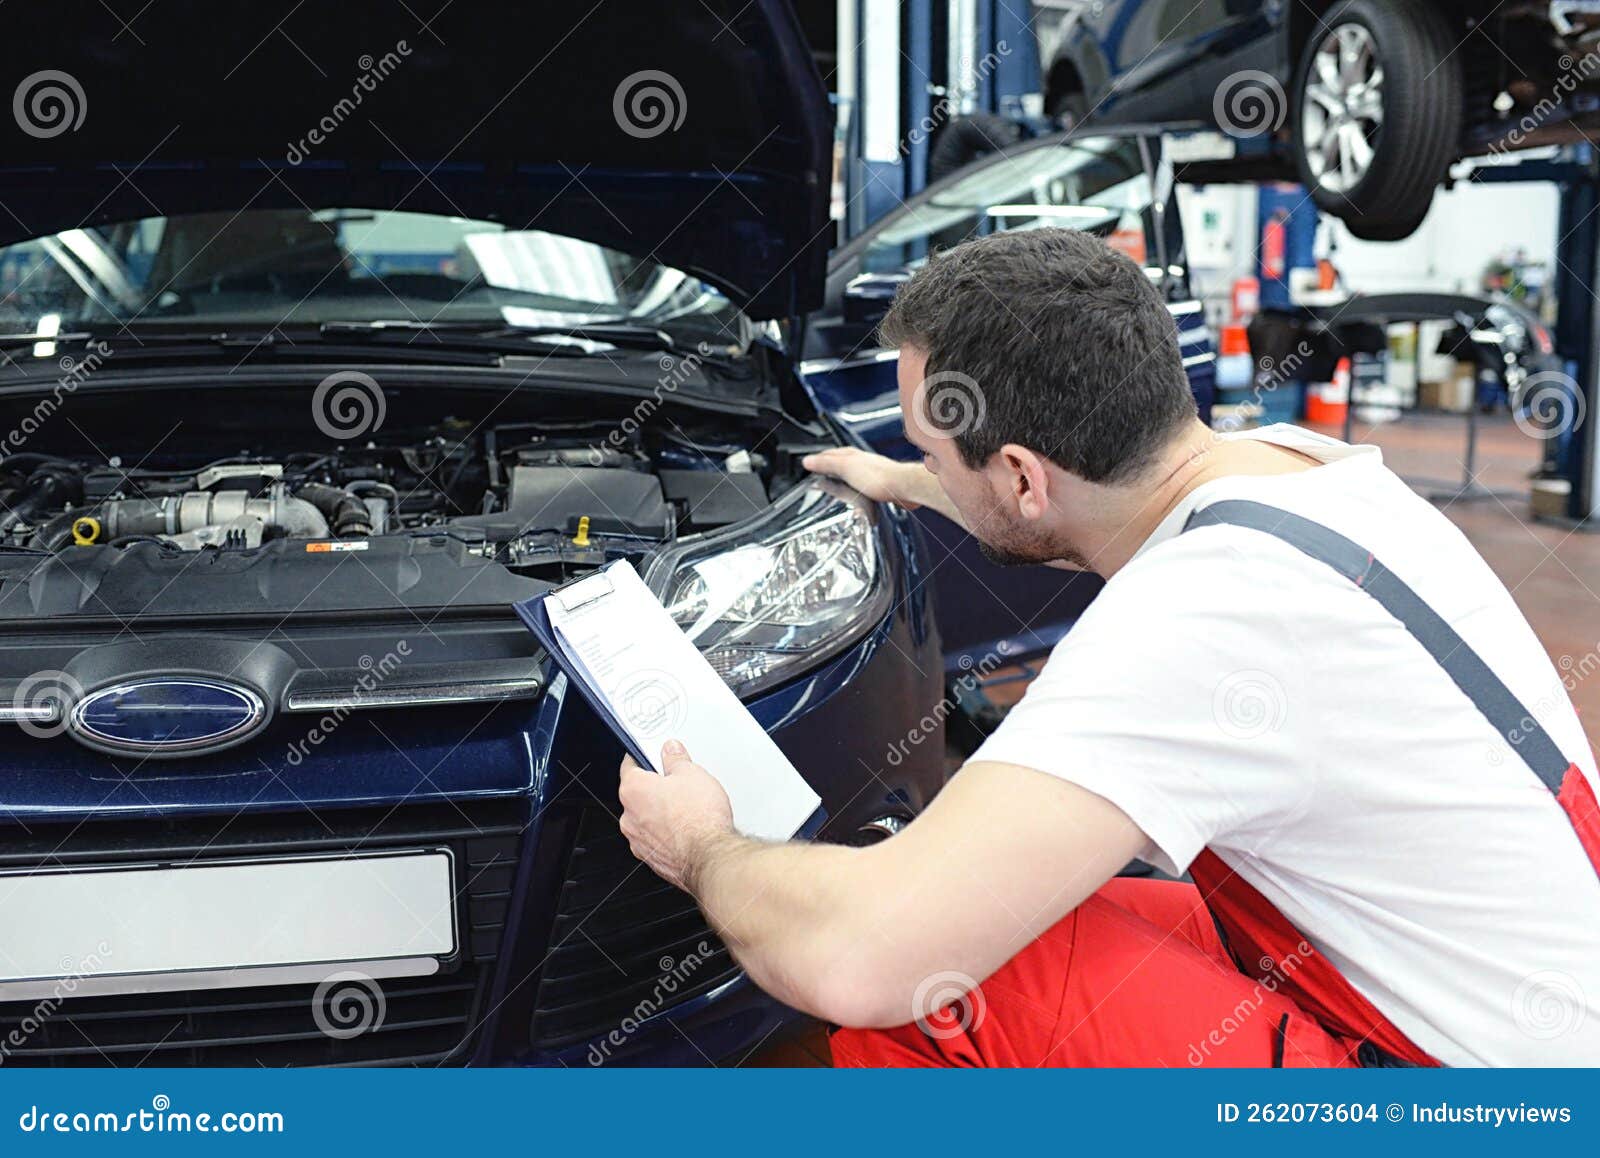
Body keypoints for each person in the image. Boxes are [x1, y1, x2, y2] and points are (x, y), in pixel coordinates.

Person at [616, 227, 1600, 1067]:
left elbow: (859, 955)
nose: (922, 465)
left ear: (1021, 478)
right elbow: (1102, 519)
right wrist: (908, 483)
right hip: (1521, 1009)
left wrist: (701, 843)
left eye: (930, 448)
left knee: (942, 979)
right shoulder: (1306, 474)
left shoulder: (1196, 620)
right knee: (1046, 904)